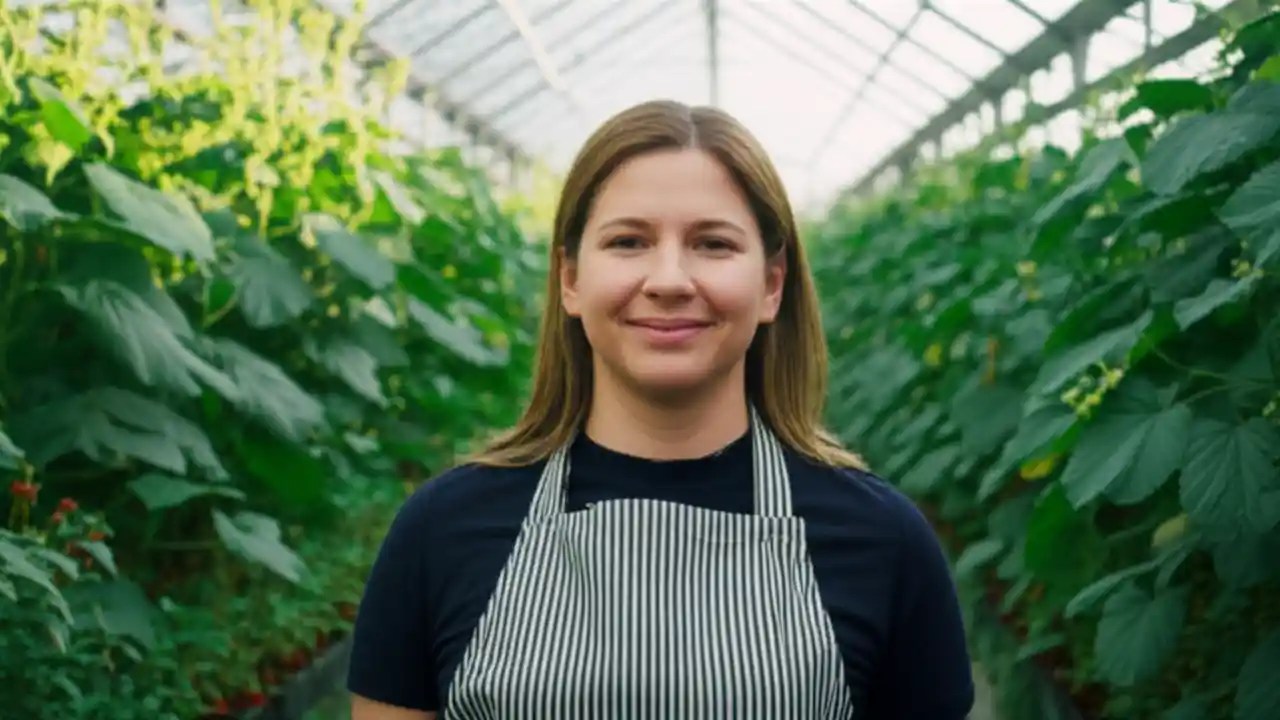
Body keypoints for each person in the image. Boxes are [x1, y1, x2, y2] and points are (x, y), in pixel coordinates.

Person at [347, 99, 975, 719]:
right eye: (628, 242)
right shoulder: (440, 532)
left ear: (771, 284)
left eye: (713, 244)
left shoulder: (884, 542)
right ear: (570, 280)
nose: (669, 280)